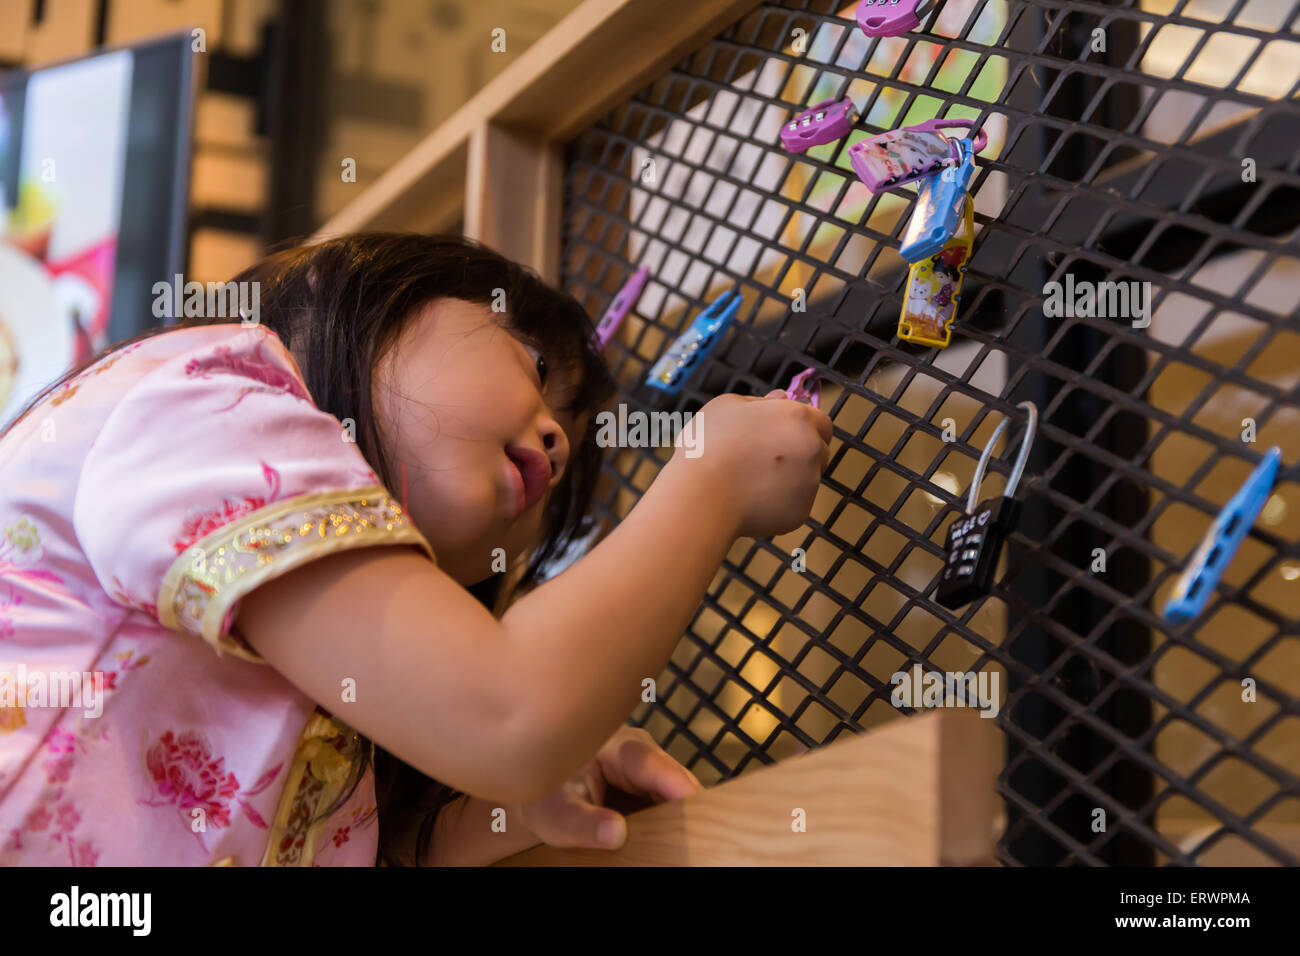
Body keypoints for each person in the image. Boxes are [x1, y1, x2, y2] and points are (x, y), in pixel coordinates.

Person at [0, 232, 832, 866]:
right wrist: (713, 473)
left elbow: (388, 829)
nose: (558, 440)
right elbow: (507, 712)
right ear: (347, 284)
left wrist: (511, 804)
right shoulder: (209, 405)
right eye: (535, 365)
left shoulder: (323, 685)